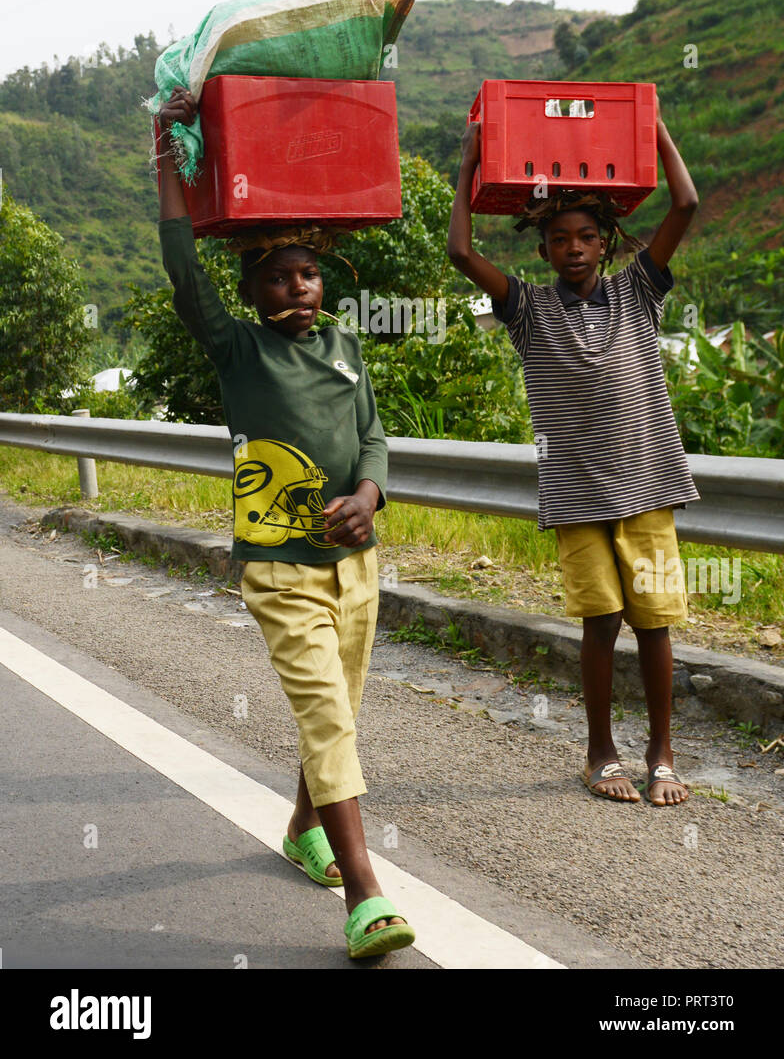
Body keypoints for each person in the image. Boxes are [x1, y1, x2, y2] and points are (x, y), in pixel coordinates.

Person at [156, 85, 415, 957]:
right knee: (329, 719)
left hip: (357, 564)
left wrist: (371, 495)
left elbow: (373, 437)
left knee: (336, 714)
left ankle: (303, 822)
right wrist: (168, 162)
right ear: (253, 287)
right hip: (280, 566)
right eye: (278, 276)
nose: (297, 287)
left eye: (307, 273)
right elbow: (182, 271)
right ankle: (366, 894)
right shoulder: (238, 347)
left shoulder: (346, 347)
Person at [447, 93, 699, 806]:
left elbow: (685, 204)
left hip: (647, 484)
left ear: (608, 241)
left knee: (655, 623)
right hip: (578, 494)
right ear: (544, 250)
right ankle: (599, 753)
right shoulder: (528, 310)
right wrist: (467, 163)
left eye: (587, 237)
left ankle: (662, 754)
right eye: (561, 240)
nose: (575, 248)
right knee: (601, 623)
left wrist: (652, 126)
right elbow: (461, 251)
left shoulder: (638, 292)